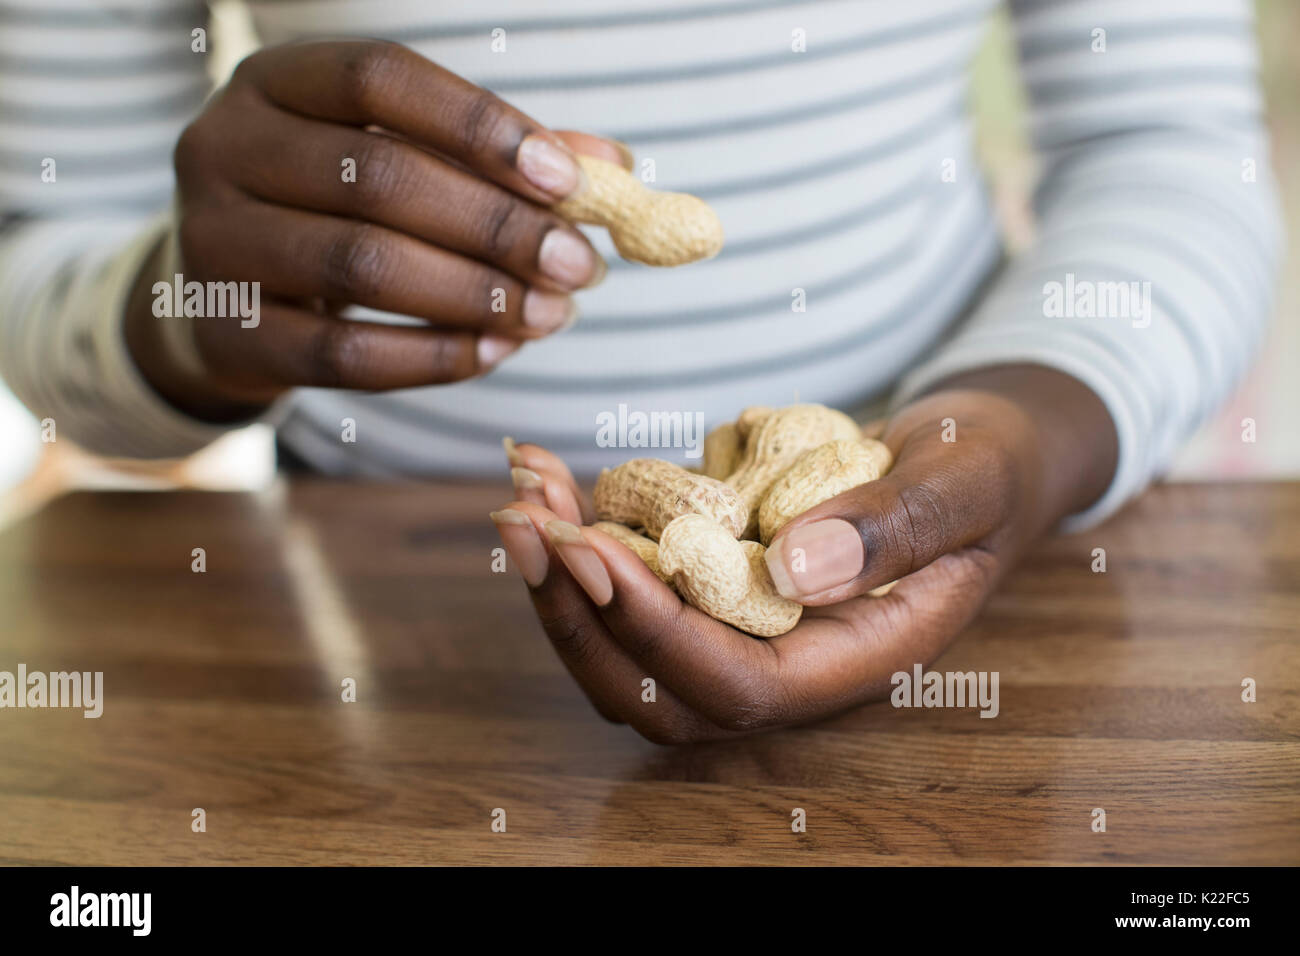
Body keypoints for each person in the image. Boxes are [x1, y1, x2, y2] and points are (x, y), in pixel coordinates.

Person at [0, 1, 1282, 740]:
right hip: (370, 652)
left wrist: (1028, 423)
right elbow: (39, 252)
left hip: (978, 587)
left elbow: (1164, 140)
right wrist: (186, 307)